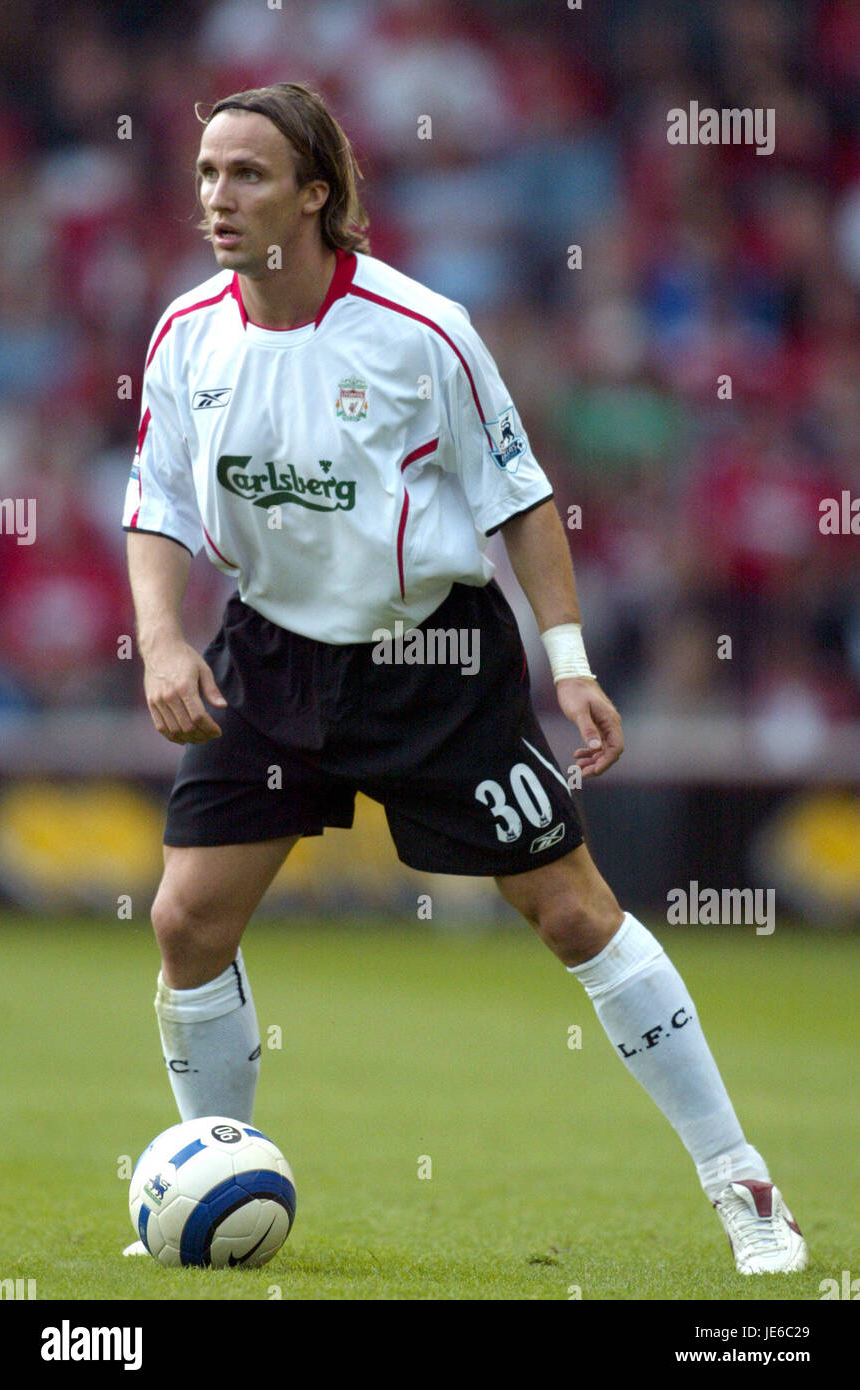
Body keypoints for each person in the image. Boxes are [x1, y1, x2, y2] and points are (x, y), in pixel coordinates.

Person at [122, 82, 806, 1275]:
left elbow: (520, 498)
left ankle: (742, 1186)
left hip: (430, 660)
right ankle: (212, 1170)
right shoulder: (187, 333)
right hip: (272, 655)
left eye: (247, 175)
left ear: (316, 193)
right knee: (184, 919)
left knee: (573, 913)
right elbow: (158, 507)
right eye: (206, 175)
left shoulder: (418, 329)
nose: (217, 200)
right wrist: (167, 640)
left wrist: (572, 664)